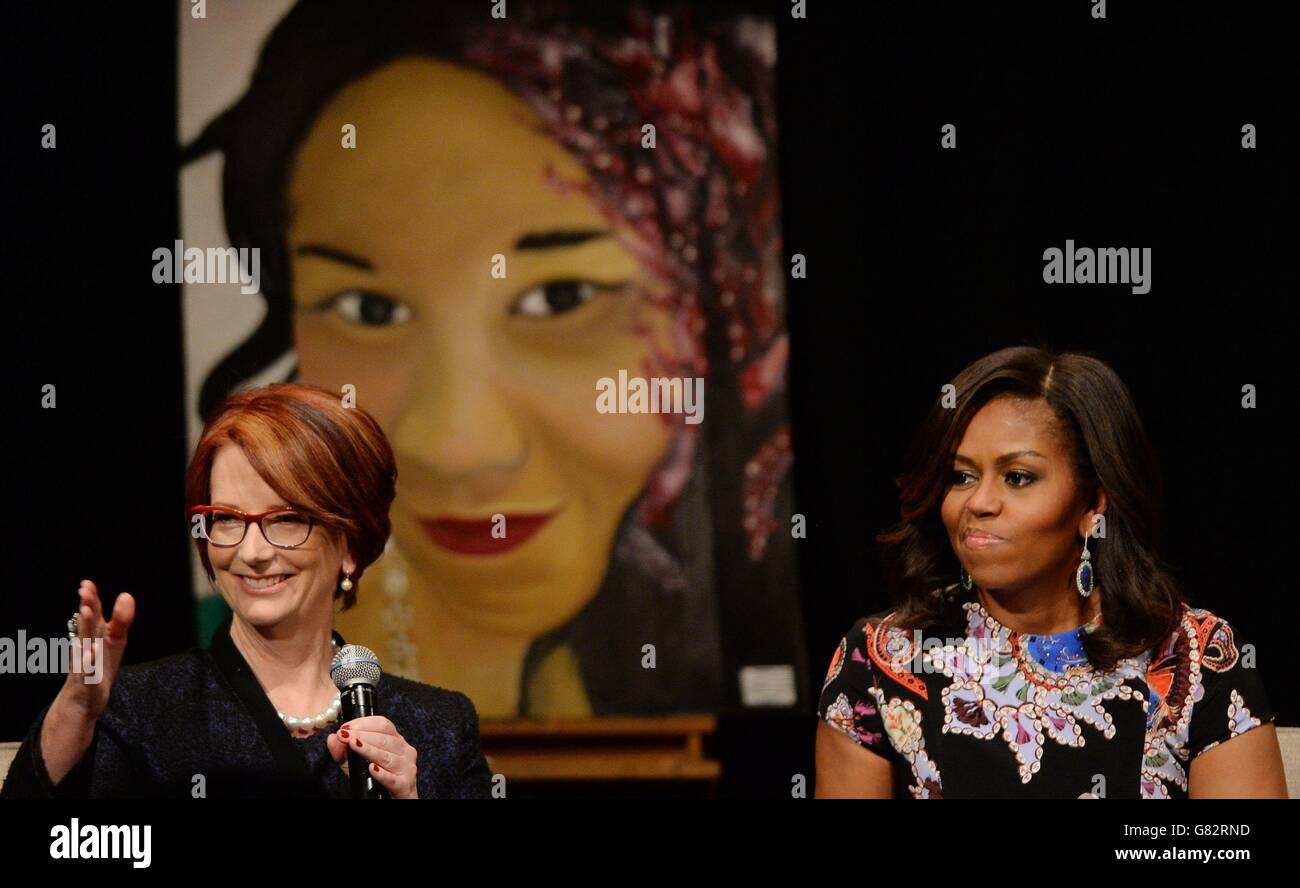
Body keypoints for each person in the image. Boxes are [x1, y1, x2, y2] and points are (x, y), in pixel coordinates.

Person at [178, 0, 803, 717]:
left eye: (561, 298)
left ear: (715, 312)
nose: (459, 447)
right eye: (370, 311)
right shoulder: (199, 672)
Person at [814, 346, 1286, 798]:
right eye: (962, 476)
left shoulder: (1196, 658)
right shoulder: (882, 660)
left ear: (1091, 504)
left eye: (1018, 477)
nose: (978, 502)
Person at [1, 383, 492, 798]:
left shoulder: (438, 726)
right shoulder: (139, 709)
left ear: (350, 544)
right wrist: (76, 710)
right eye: (227, 520)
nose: (251, 552)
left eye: (285, 520)